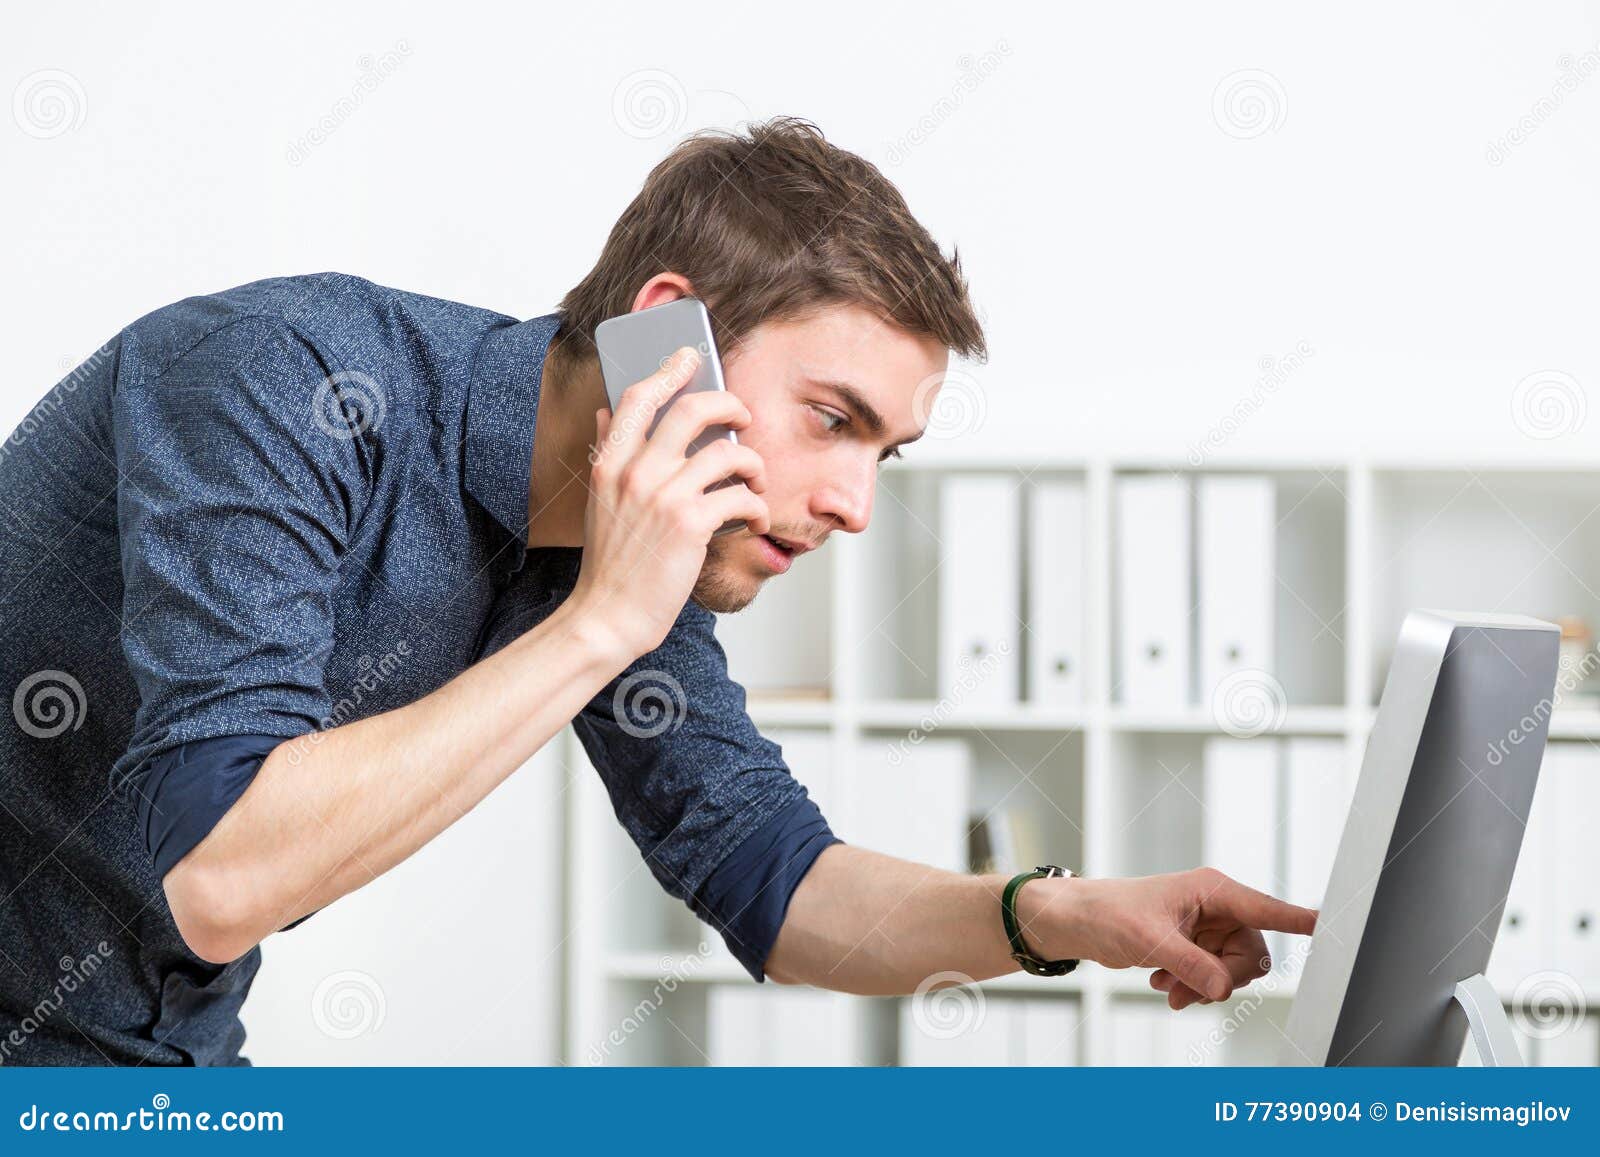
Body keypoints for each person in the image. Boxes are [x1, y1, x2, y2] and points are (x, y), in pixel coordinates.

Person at [0, 118, 1313, 1065]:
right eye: (831, 416)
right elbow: (216, 874)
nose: (857, 503)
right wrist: (604, 623)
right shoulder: (278, 383)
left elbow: (778, 885)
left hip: (151, 1065)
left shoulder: (637, 538)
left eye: (885, 454)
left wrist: (1060, 913)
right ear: (666, 339)